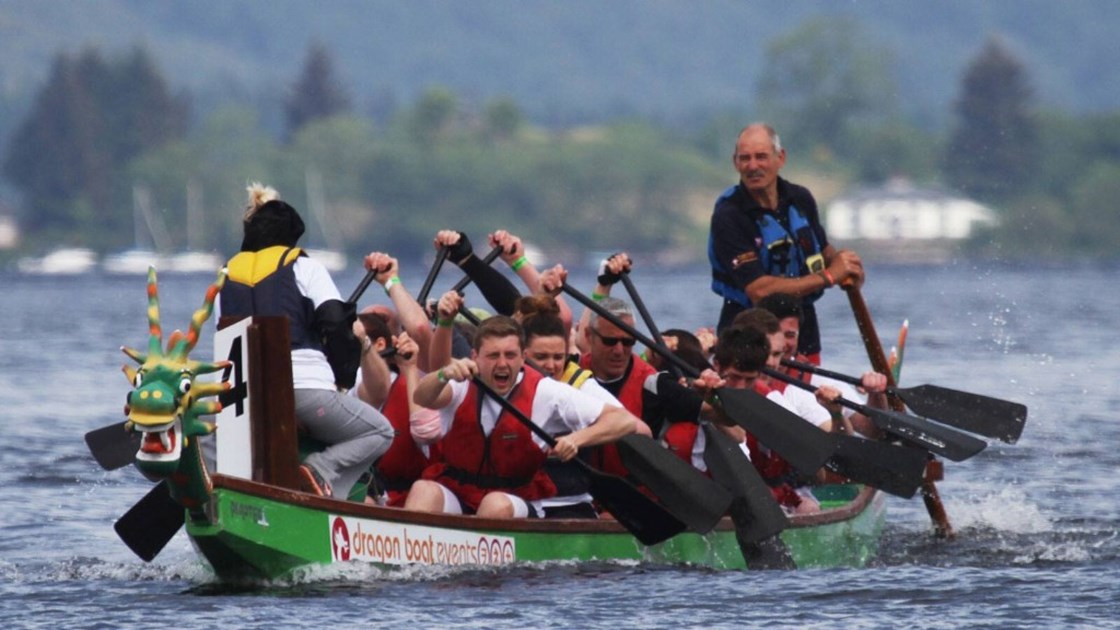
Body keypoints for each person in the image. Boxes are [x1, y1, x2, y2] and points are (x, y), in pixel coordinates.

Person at [218, 183, 394, 499]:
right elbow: (337, 324)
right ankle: (320, 470)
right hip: (305, 393)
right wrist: (341, 381)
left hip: (242, 402)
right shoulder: (305, 266)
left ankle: (229, 487)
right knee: (380, 431)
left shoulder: (224, 277)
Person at [404, 316, 639, 518]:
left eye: (510, 355)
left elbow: (623, 420)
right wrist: (442, 375)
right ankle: (410, 566)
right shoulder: (462, 382)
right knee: (423, 490)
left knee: (495, 505)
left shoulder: (545, 391)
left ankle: (477, 569)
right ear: (475, 356)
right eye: (493, 355)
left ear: (523, 357)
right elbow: (423, 398)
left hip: (514, 499)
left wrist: (577, 439)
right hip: (458, 490)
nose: (503, 364)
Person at [708, 123, 865, 364]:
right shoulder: (728, 215)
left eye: (761, 157)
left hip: (803, 330)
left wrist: (847, 266)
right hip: (747, 336)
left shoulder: (800, 198)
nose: (753, 166)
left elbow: (823, 250)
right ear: (735, 162)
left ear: (780, 158)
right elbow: (758, 290)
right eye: (745, 159)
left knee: (806, 399)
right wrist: (830, 277)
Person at [351, 312, 441, 507]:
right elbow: (374, 391)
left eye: (352, 344)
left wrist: (409, 369)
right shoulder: (350, 383)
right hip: (365, 492)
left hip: (410, 497)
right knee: (363, 502)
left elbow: (424, 433)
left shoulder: (414, 383)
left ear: (380, 346)